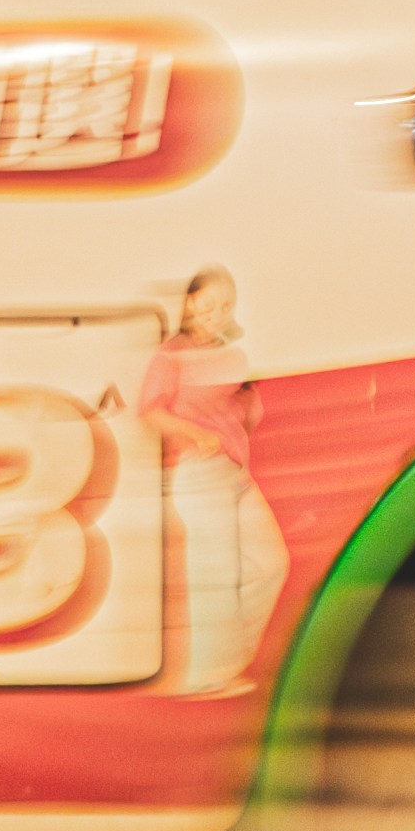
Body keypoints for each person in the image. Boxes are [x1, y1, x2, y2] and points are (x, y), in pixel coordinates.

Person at [139, 263, 288, 692]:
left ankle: (228, 664)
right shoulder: (171, 355)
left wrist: (248, 399)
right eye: (207, 307)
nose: (215, 316)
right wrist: (196, 434)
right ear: (188, 306)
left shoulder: (232, 356)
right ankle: (206, 676)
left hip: (235, 470)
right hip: (197, 473)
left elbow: (246, 417)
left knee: (270, 565)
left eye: (224, 307)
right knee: (216, 579)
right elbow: (150, 412)